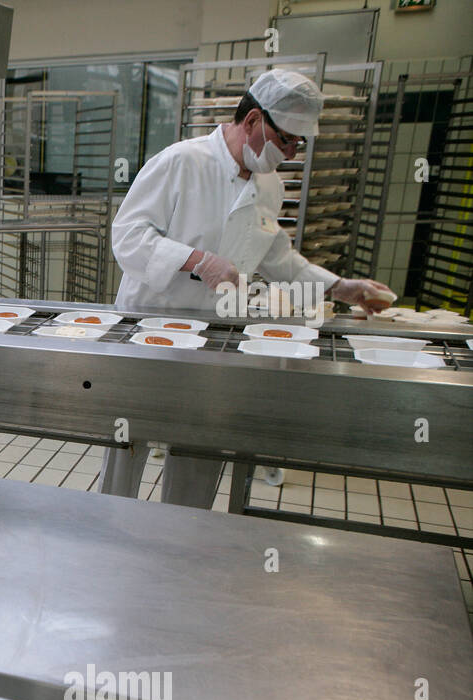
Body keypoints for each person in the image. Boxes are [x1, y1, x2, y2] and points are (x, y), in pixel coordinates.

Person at [103, 69, 395, 509]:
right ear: (254, 120)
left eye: (299, 144)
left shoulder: (269, 185)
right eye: (287, 140)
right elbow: (127, 236)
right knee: (129, 442)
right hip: (151, 328)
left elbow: (280, 259)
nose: (292, 152)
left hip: (214, 337)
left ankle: (181, 535)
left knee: (199, 448)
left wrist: (342, 287)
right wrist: (198, 260)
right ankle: (109, 529)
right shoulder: (183, 161)